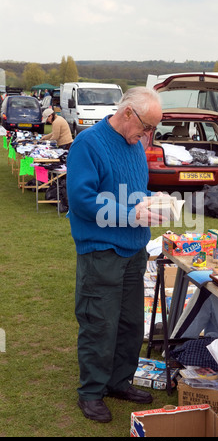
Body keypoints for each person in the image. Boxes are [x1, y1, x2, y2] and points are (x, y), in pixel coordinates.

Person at [66, 87, 164, 423]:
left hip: (134, 249)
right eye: (146, 127)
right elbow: (82, 201)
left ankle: (118, 381)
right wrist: (131, 214)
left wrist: (154, 201)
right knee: (99, 324)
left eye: (152, 129)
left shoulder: (134, 144)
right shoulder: (88, 144)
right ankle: (91, 392)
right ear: (127, 114)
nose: (147, 135)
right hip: (102, 251)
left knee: (131, 324)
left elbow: (135, 191)